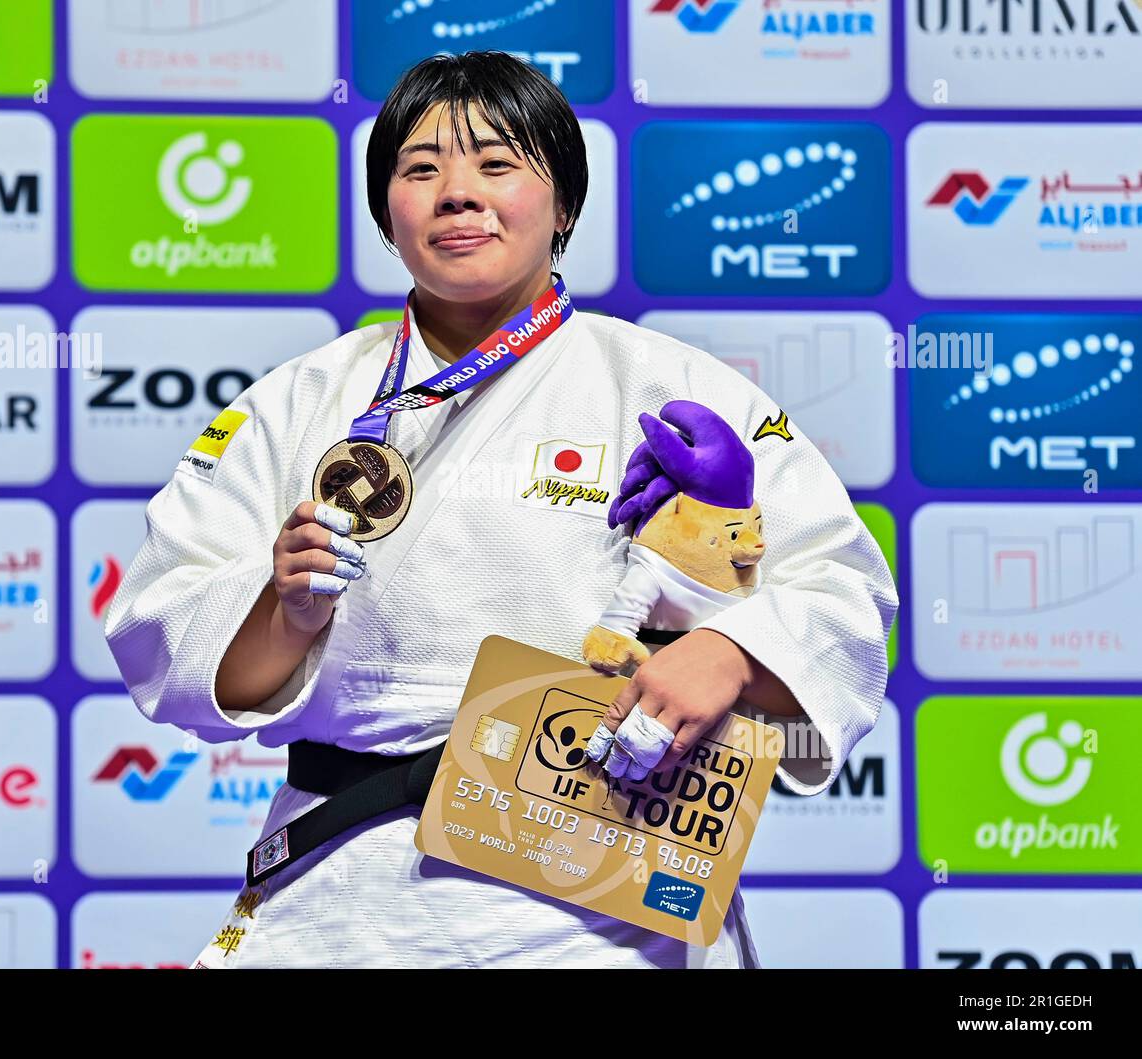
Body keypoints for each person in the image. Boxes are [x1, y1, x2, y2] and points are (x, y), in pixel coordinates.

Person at [103, 50, 897, 969]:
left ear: (562, 205)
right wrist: (286, 612)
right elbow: (164, 624)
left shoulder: (669, 383)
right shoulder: (297, 402)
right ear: (385, 208)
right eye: (421, 167)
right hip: (353, 893)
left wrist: (730, 649)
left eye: (496, 162)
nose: (456, 192)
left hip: (604, 896)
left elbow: (843, 590)